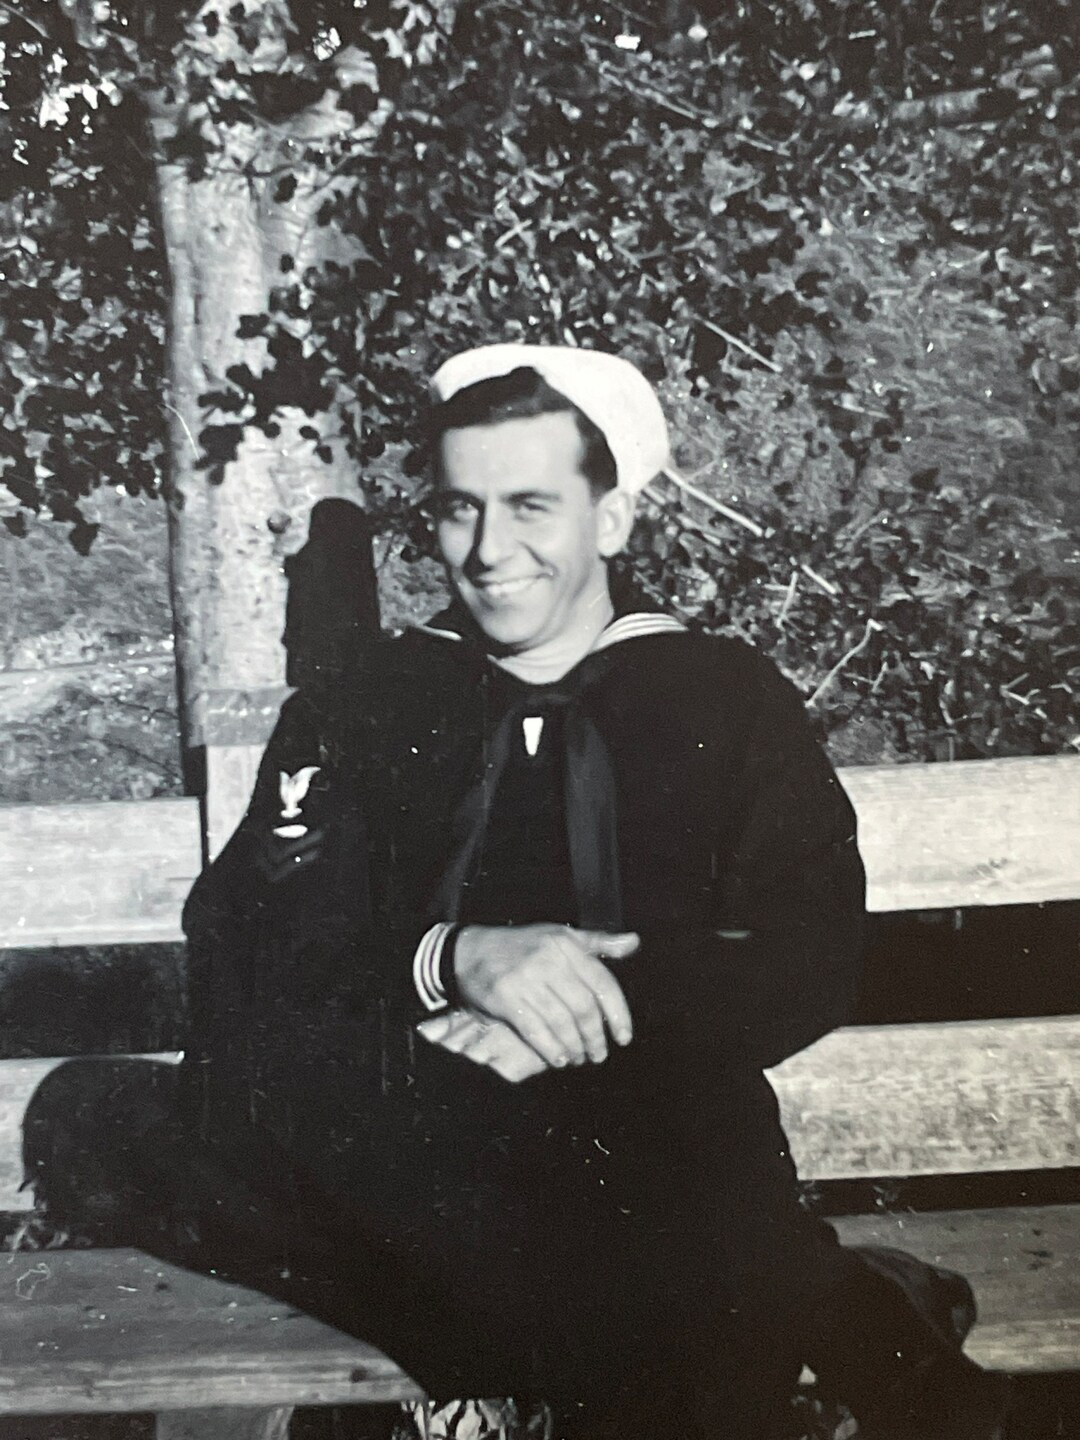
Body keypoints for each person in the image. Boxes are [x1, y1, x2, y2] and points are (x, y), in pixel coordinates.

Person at [119, 347, 1012, 1438]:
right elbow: (249, 951)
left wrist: (573, 1019)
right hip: (416, 1138)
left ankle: (583, 1359)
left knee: (644, 1162)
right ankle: (831, 1303)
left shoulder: (722, 698)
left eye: (531, 506)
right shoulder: (364, 705)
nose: (491, 552)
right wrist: (453, 956)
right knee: (107, 1115)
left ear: (614, 517)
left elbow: (808, 952)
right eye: (460, 511)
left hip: (644, 1140)